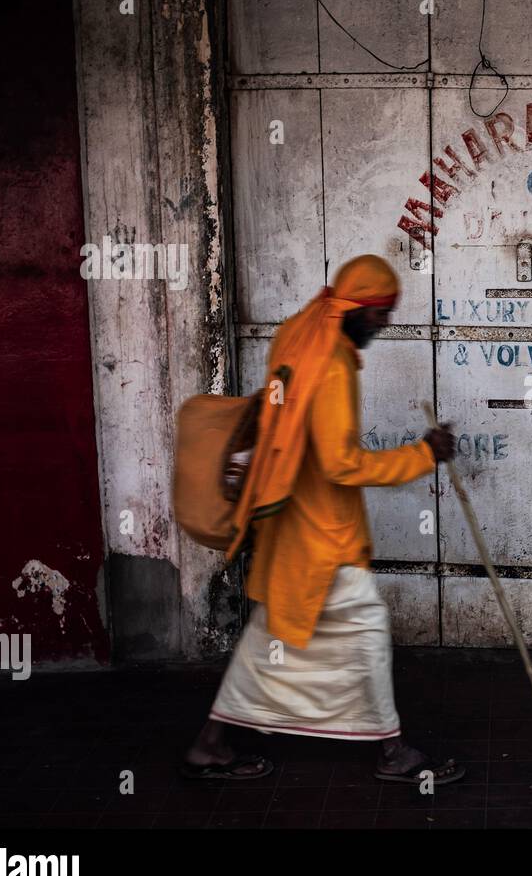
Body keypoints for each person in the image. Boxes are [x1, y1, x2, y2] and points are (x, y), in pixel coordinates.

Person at [181, 254, 461, 785]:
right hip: (324, 536)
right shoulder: (331, 361)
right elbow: (339, 463)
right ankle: (393, 752)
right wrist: (423, 454)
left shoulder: (297, 332)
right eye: (380, 313)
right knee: (367, 631)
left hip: (294, 527)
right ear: (355, 307)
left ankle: (209, 744)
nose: (385, 324)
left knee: (270, 643)